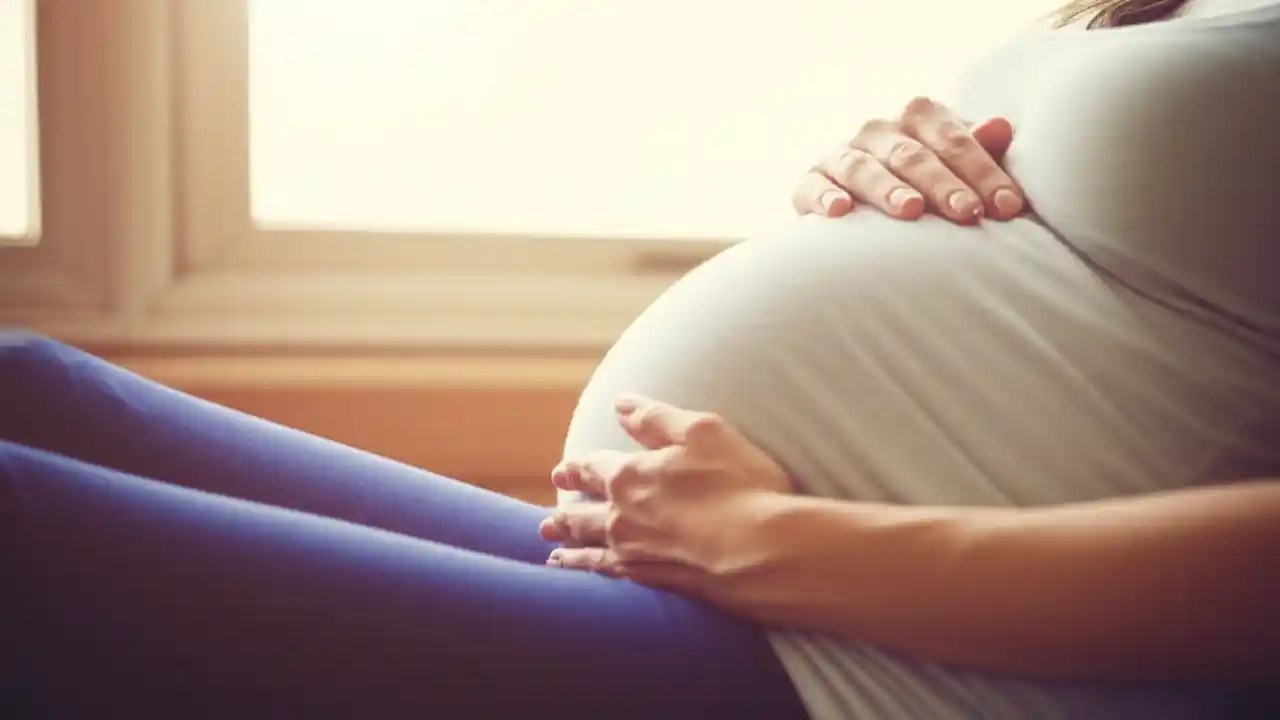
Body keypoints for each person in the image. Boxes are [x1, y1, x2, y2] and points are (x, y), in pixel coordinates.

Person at [2, 0, 1277, 717]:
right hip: (757, 595)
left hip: (884, 671)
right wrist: (896, 162)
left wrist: (777, 543)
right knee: (31, 385)